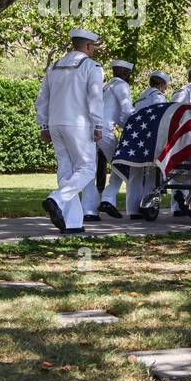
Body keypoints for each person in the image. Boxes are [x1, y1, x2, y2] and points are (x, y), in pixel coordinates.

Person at [35, 28, 104, 234]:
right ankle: (56, 198)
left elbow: (42, 99)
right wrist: (98, 124)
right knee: (87, 169)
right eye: (93, 48)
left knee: (66, 169)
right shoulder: (92, 66)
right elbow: (95, 98)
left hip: (56, 123)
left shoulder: (54, 67)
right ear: (88, 46)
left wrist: (43, 125)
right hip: (79, 124)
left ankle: (72, 221)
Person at [85, 59, 133, 220]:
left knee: (89, 170)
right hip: (104, 130)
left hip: (90, 129)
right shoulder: (122, 86)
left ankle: (89, 210)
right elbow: (126, 112)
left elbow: (113, 114)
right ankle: (107, 198)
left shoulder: (105, 86)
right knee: (122, 163)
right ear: (125, 73)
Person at [124, 71, 171, 219]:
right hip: (150, 139)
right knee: (151, 174)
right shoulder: (157, 96)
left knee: (135, 175)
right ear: (162, 84)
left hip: (136, 139)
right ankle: (148, 204)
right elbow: (160, 117)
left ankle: (132, 210)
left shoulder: (141, 97)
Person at [169, 65, 191, 215]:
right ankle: (187, 201)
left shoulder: (179, 92)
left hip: (176, 137)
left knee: (178, 169)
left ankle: (177, 205)